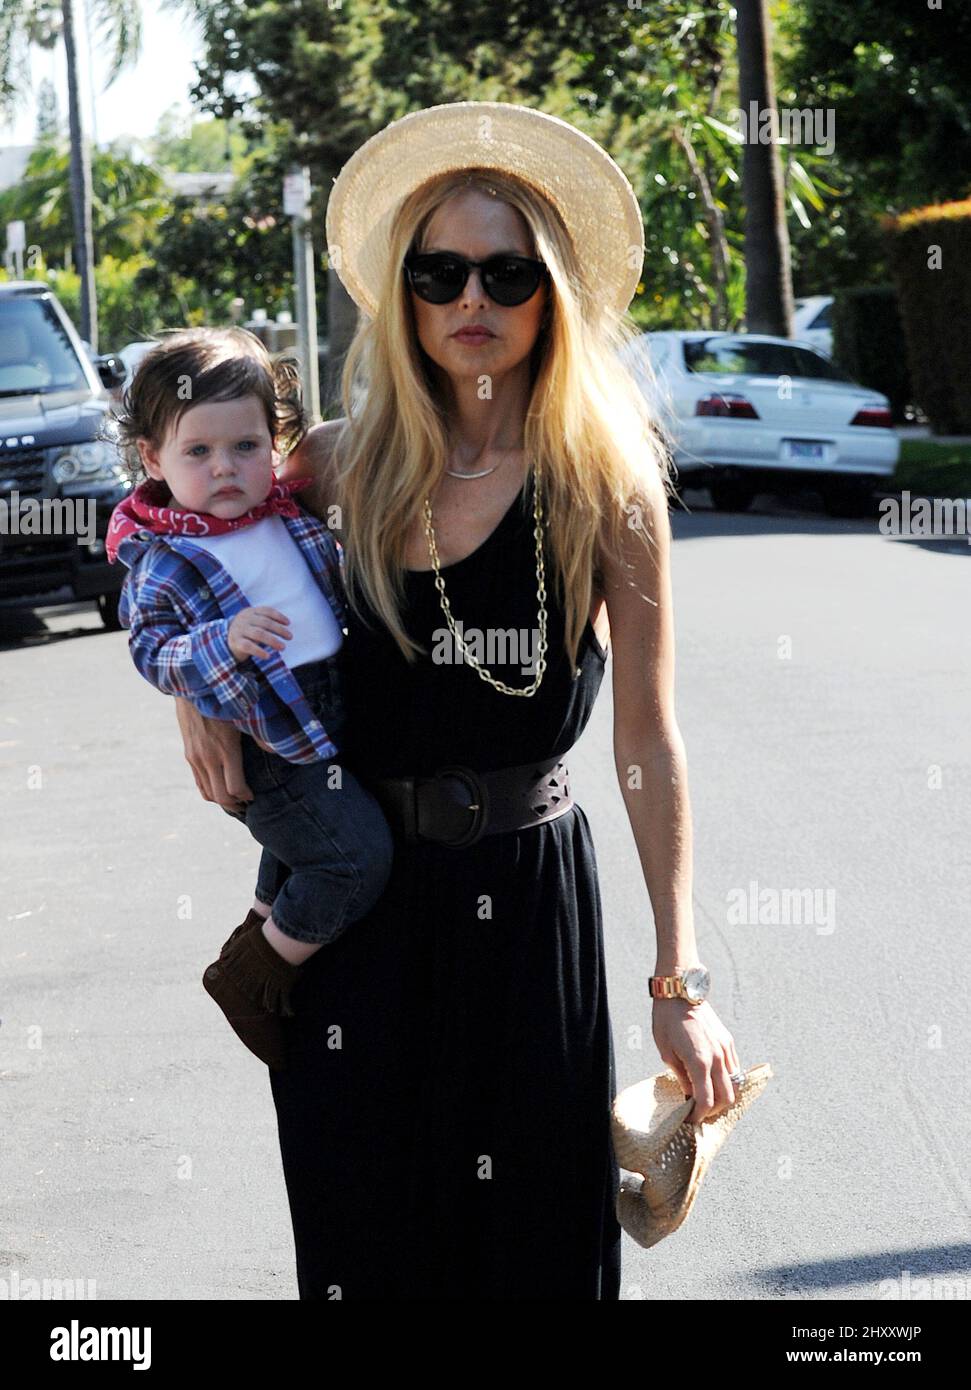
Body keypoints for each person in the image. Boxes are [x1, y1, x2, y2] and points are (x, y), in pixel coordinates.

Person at [173, 101, 742, 1300]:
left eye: (505, 271)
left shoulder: (605, 487)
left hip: (527, 916)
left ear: (551, 293)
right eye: (439, 270)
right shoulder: (329, 465)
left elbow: (646, 738)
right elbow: (175, 534)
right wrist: (195, 688)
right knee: (363, 1252)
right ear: (404, 292)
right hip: (354, 913)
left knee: (533, 1258)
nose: (470, 297)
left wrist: (678, 985)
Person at [105, 327, 394, 1070]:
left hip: (328, 716)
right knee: (353, 860)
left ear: (277, 441)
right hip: (270, 745)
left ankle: (260, 927)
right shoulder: (166, 557)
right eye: (196, 452)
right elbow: (151, 650)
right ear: (153, 459)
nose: (224, 468)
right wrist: (221, 640)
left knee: (298, 858)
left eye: (245, 446)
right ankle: (253, 974)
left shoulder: (291, 514)